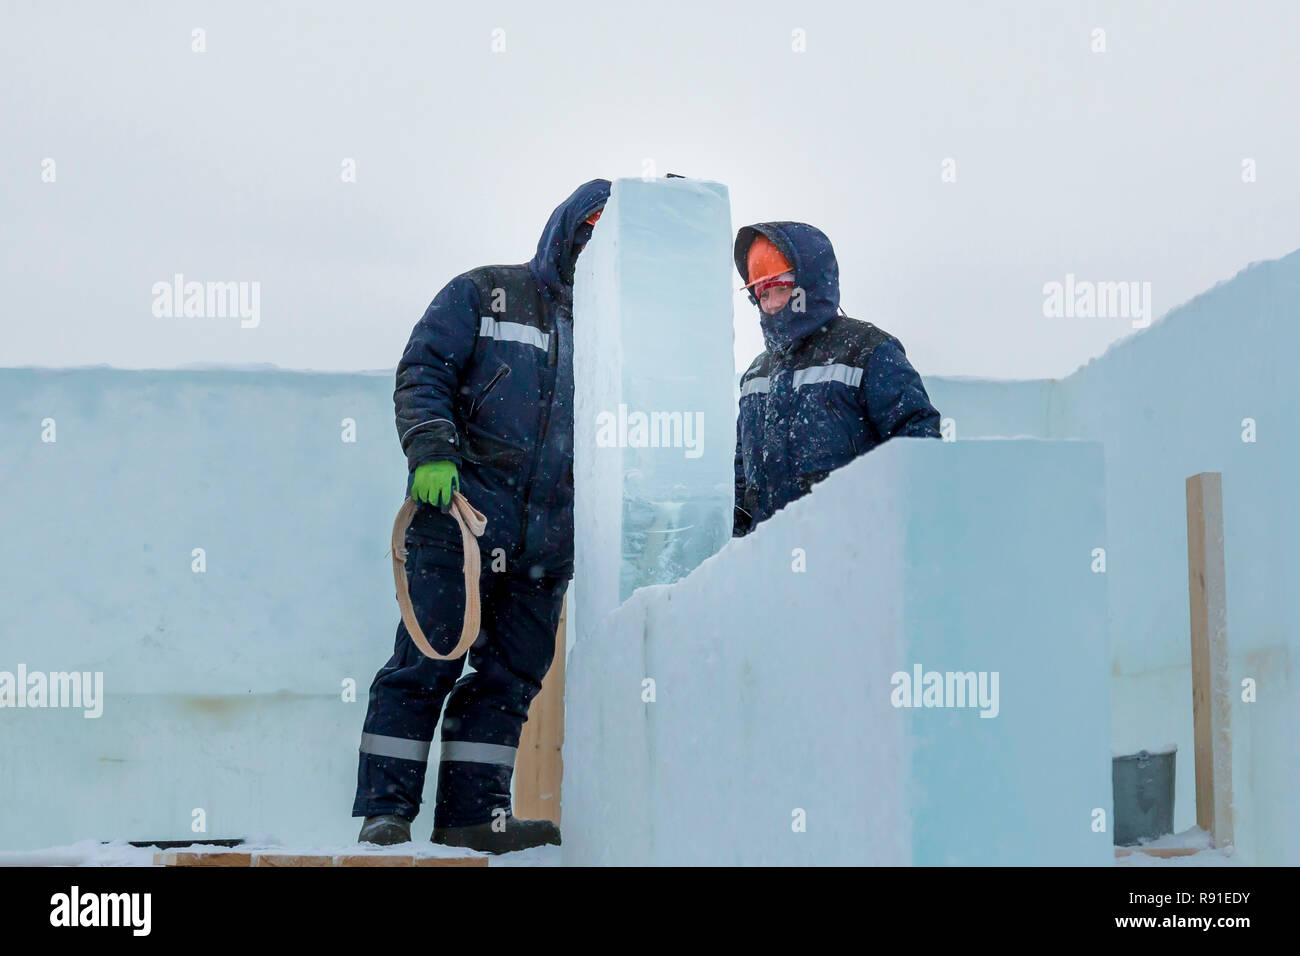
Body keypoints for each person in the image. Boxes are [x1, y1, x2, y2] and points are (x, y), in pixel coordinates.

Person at [352, 179, 610, 853]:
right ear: (566, 231)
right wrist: (431, 448)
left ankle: (475, 819)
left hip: (546, 548)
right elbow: (425, 366)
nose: (594, 249)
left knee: (507, 683)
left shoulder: (617, 331)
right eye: (588, 232)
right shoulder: (484, 292)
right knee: (425, 665)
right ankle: (387, 814)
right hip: (460, 525)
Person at [732, 223, 941, 536]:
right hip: (769, 568)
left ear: (809, 284)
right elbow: (743, 481)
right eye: (763, 293)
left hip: (852, 559)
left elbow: (919, 450)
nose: (773, 303)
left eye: (782, 287)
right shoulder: (755, 376)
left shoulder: (868, 352)